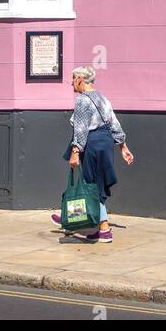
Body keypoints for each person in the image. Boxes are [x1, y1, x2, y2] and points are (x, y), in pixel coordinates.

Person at [52, 66, 133, 242]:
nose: (71, 83)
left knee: (91, 185)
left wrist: (75, 151)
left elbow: (80, 130)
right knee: (95, 183)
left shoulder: (82, 100)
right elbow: (114, 123)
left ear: (80, 80)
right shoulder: (102, 98)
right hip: (106, 144)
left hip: (92, 144)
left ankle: (102, 228)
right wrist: (123, 146)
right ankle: (70, 217)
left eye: (72, 79)